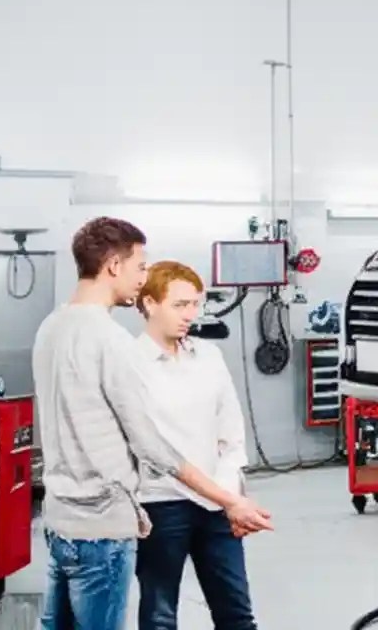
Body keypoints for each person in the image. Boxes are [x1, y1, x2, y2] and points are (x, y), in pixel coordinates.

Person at [32, 217, 273, 630]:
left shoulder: (51, 327)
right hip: (104, 523)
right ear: (113, 266)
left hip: (61, 521)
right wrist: (231, 501)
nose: (142, 278)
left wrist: (226, 492)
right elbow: (151, 446)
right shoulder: (114, 342)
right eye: (139, 267)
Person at [133, 260, 259, 629]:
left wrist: (230, 495)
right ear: (150, 303)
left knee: (236, 613)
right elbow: (145, 445)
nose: (190, 314)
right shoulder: (130, 363)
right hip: (159, 504)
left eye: (195, 304)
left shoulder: (209, 356)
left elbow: (231, 431)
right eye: (180, 305)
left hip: (217, 504)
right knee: (159, 616)